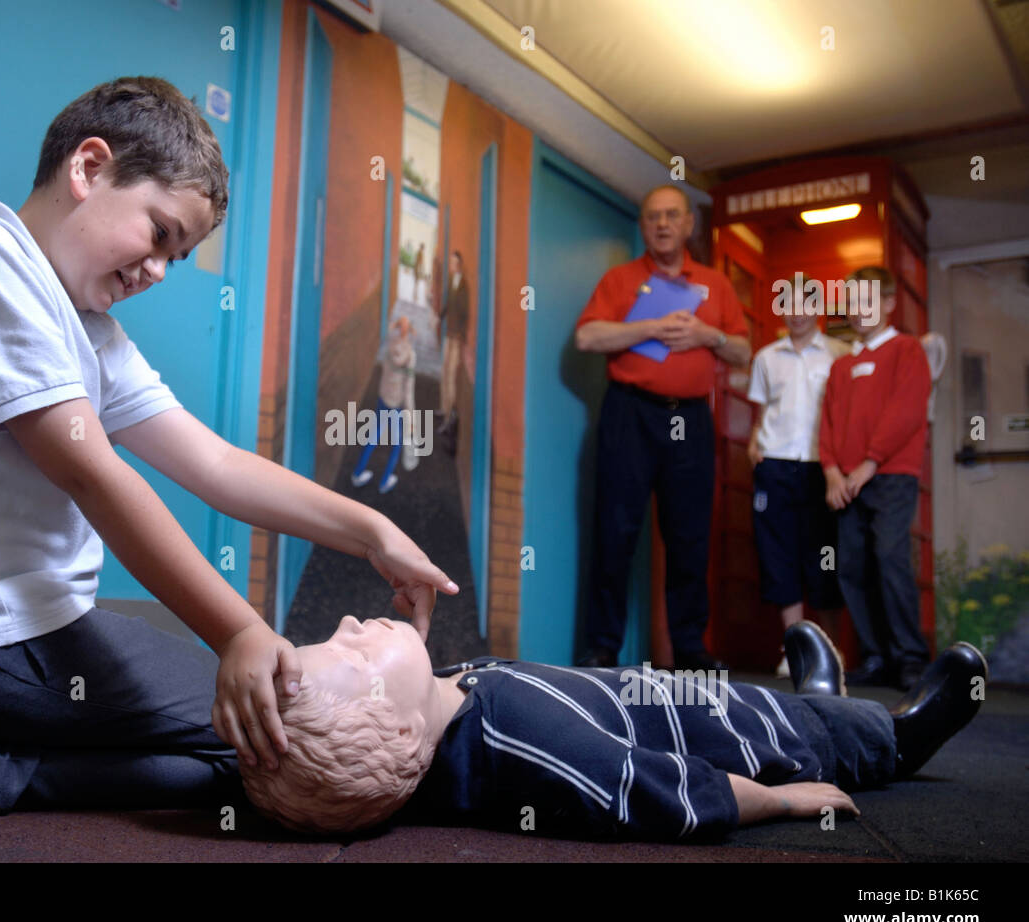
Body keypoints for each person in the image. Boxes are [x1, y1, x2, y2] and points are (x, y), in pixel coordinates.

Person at [0, 76, 456, 814]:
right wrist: (238, 631)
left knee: (251, 726)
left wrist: (371, 530)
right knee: (280, 733)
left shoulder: (89, 330)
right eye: (159, 234)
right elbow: (90, 472)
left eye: (176, 258)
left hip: (12, 636)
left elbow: (214, 464)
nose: (156, 272)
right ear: (88, 168)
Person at [240, 615, 986, 840]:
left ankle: (823, 692)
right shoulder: (524, 741)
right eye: (352, 651)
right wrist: (789, 800)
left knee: (769, 697)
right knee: (810, 727)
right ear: (405, 738)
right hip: (743, 741)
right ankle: (897, 732)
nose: (344, 622)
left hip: (658, 693)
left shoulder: (442, 707)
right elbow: (664, 791)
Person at [574, 186, 751, 671]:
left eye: (673, 215)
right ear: (643, 225)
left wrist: (706, 335)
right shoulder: (621, 279)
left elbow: (742, 351)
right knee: (614, 530)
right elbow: (588, 336)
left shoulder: (716, 283)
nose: (663, 224)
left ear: (689, 224)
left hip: (688, 418)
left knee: (690, 534)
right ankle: (603, 647)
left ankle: (690, 647)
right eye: (653, 216)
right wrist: (648, 328)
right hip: (629, 412)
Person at [819, 266, 931, 690]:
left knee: (889, 558)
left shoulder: (907, 351)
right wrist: (832, 472)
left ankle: (910, 656)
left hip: (890, 476)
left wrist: (869, 463)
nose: (859, 310)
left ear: (888, 303)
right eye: (852, 302)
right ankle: (876, 656)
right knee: (849, 566)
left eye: (868, 301)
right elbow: (826, 424)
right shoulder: (841, 365)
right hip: (846, 482)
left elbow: (905, 412)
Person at [748, 274, 851, 676]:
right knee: (778, 555)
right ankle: (793, 650)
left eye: (805, 304)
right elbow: (760, 416)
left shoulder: (840, 354)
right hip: (774, 465)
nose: (796, 312)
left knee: (824, 555)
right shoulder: (766, 357)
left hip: (821, 467)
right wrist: (754, 447)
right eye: (788, 304)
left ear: (818, 309)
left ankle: (830, 651)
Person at [351, 316, 416, 494]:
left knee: (374, 435)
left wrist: (395, 325)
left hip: (383, 397)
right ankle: (385, 480)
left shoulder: (389, 344)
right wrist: (411, 416)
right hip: (397, 404)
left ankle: (358, 473)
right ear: (409, 331)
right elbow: (408, 389)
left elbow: (385, 331)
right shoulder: (410, 355)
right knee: (397, 444)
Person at [436, 251, 470, 442]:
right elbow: (448, 303)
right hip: (448, 333)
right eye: (450, 262)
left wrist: (462, 336)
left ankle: (449, 418)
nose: (451, 265)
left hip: (456, 337)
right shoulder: (451, 280)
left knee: (450, 376)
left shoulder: (464, 284)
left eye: (453, 262)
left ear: (459, 264)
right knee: (443, 370)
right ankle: (443, 408)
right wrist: (439, 318)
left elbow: (466, 312)